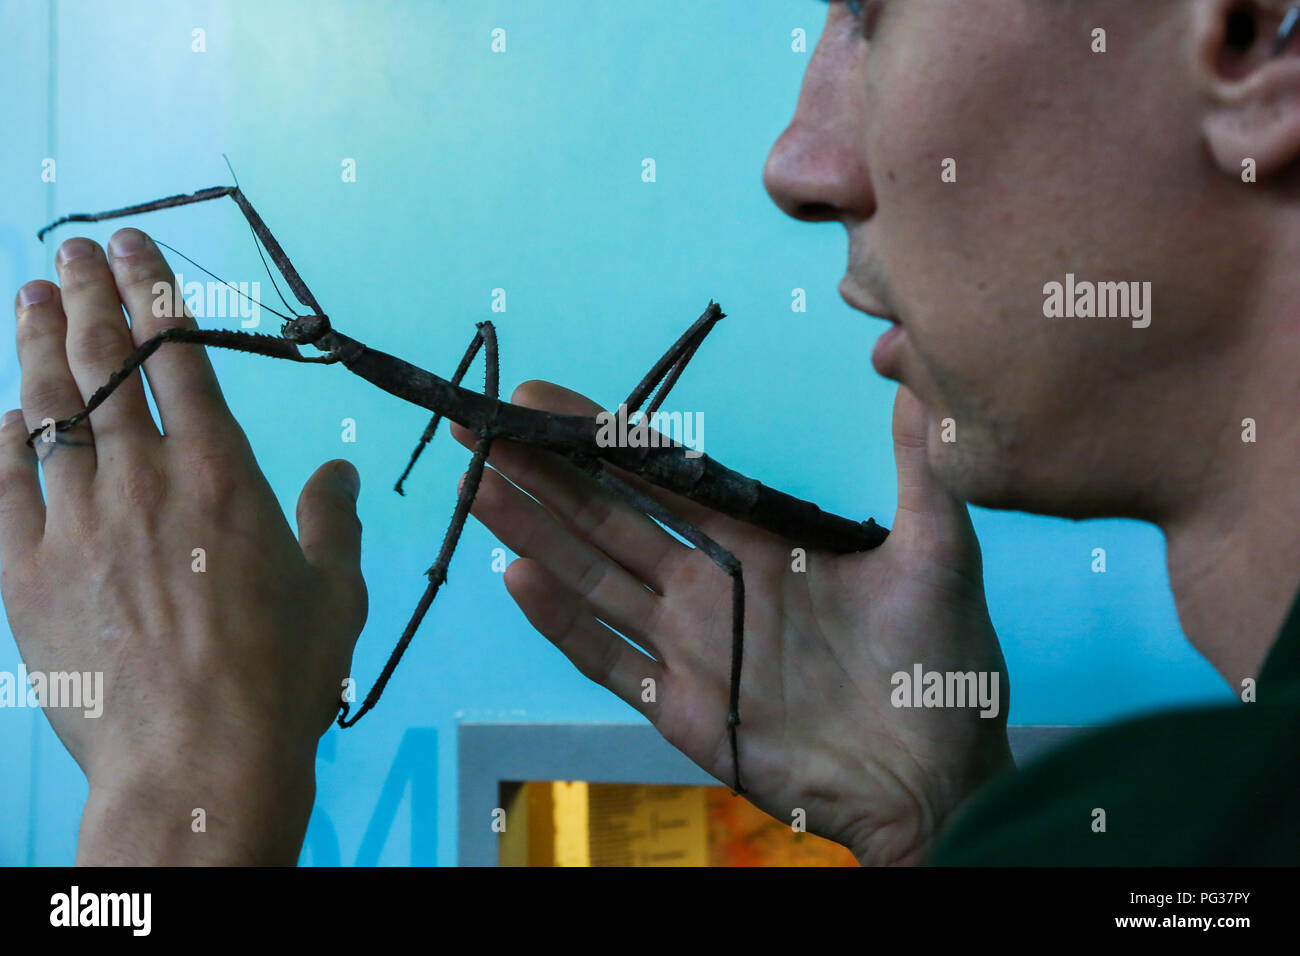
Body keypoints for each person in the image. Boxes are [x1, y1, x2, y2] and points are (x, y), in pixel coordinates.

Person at [3, 0, 1297, 865]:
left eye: (873, 10)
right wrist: (945, 812)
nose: (796, 166)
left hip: (690, 495)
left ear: (1253, 43)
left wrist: (183, 805)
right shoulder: (1195, 829)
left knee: (538, 500)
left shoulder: (1211, 815)